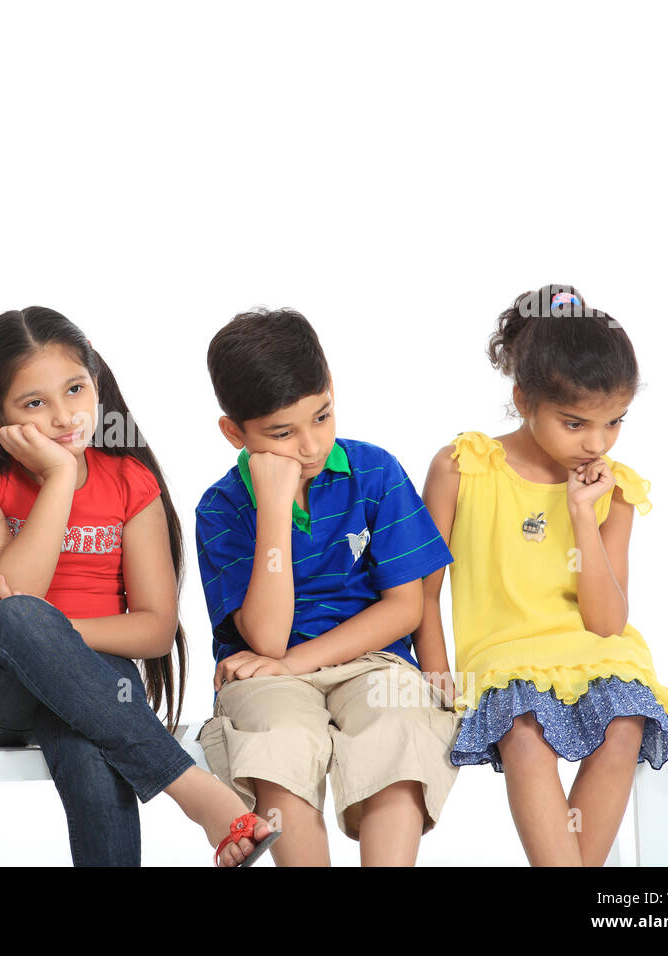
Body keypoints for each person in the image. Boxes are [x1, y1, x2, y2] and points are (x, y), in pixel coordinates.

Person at [0, 305, 277, 866]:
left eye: (75, 389)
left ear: (96, 382)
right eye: (34, 403)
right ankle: (195, 794)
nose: (63, 416)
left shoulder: (130, 482)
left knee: (88, 743)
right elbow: (15, 602)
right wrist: (57, 477)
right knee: (17, 617)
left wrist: (63, 639)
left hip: (97, 691)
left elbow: (154, 629)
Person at [416, 285, 668, 866]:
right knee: (525, 732)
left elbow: (608, 623)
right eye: (575, 423)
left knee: (626, 722)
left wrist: (583, 515)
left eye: (614, 421)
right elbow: (424, 589)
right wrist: (436, 678)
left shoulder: (614, 489)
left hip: (598, 651)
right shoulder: (464, 467)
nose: (596, 443)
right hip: (504, 654)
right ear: (523, 399)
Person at [194, 308, 459, 866]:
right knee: (278, 742)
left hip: (372, 659)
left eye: (321, 416)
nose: (310, 446)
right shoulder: (221, 508)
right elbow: (266, 642)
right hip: (266, 675)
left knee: (400, 726)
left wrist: (298, 663)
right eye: (282, 433)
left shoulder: (375, 472)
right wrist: (272, 504)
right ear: (234, 433)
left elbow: (404, 608)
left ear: (332, 389)